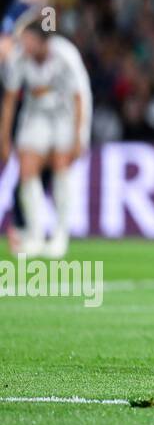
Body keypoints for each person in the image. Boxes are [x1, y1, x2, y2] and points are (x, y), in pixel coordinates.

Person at [0, 23, 91, 258]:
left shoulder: (65, 55)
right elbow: (10, 99)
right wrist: (4, 137)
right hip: (36, 114)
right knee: (27, 170)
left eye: (30, 40)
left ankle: (60, 235)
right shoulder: (19, 59)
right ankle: (35, 234)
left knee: (61, 167)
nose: (25, 45)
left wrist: (80, 135)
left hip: (65, 114)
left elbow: (80, 96)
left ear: (43, 41)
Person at [1, 0, 59, 254]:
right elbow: (4, 47)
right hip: (20, 99)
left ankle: (24, 226)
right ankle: (21, 227)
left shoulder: (46, 12)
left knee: (42, 164)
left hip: (42, 102)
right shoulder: (21, 11)